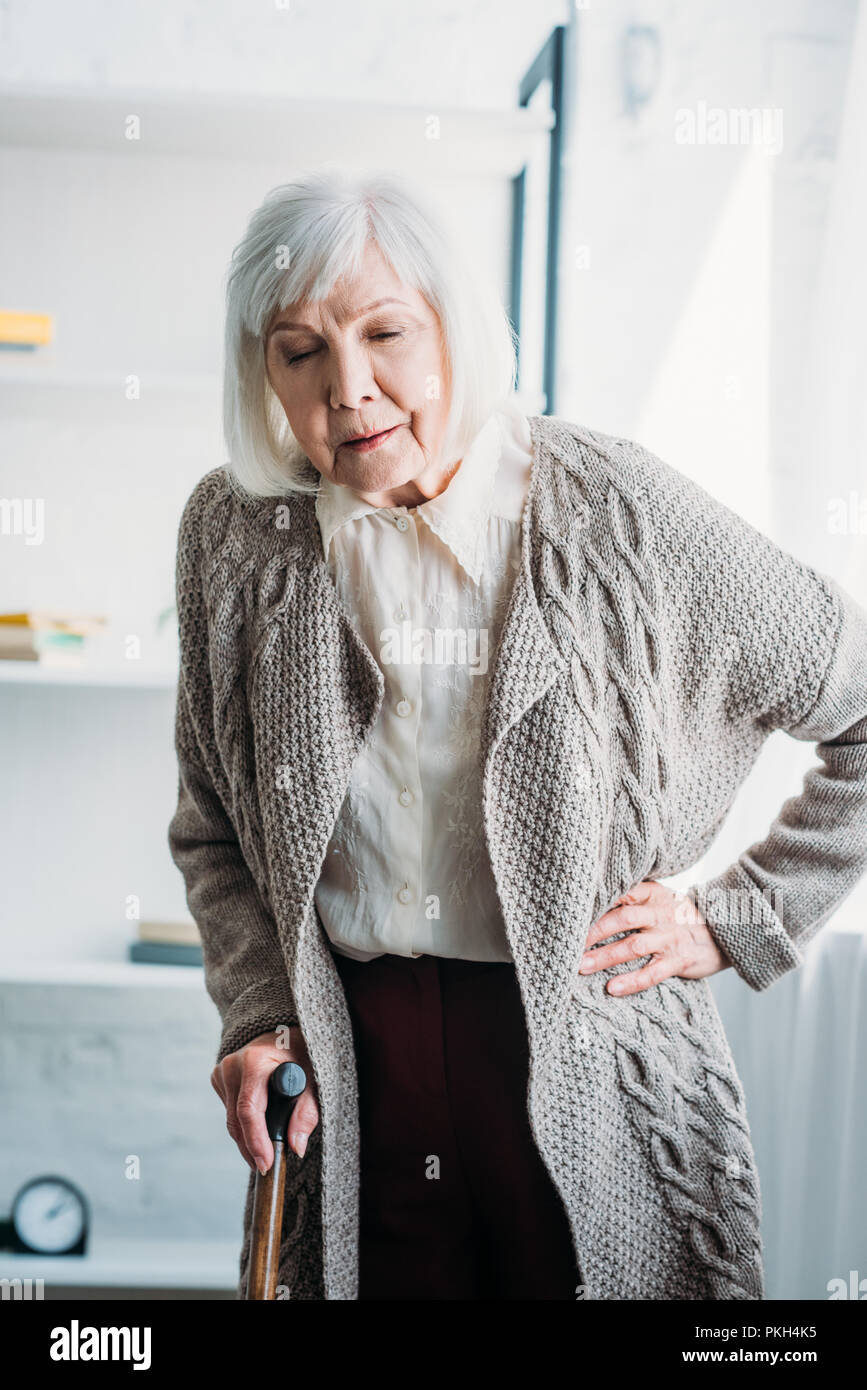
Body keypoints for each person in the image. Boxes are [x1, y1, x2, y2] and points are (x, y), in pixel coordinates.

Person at [168, 167, 867, 1300]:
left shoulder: (618, 512)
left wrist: (740, 914)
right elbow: (214, 830)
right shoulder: (236, 534)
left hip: (588, 1062)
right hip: (359, 1072)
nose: (350, 389)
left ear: (455, 327)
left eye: (385, 332)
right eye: (301, 350)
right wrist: (256, 1010)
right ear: (264, 371)